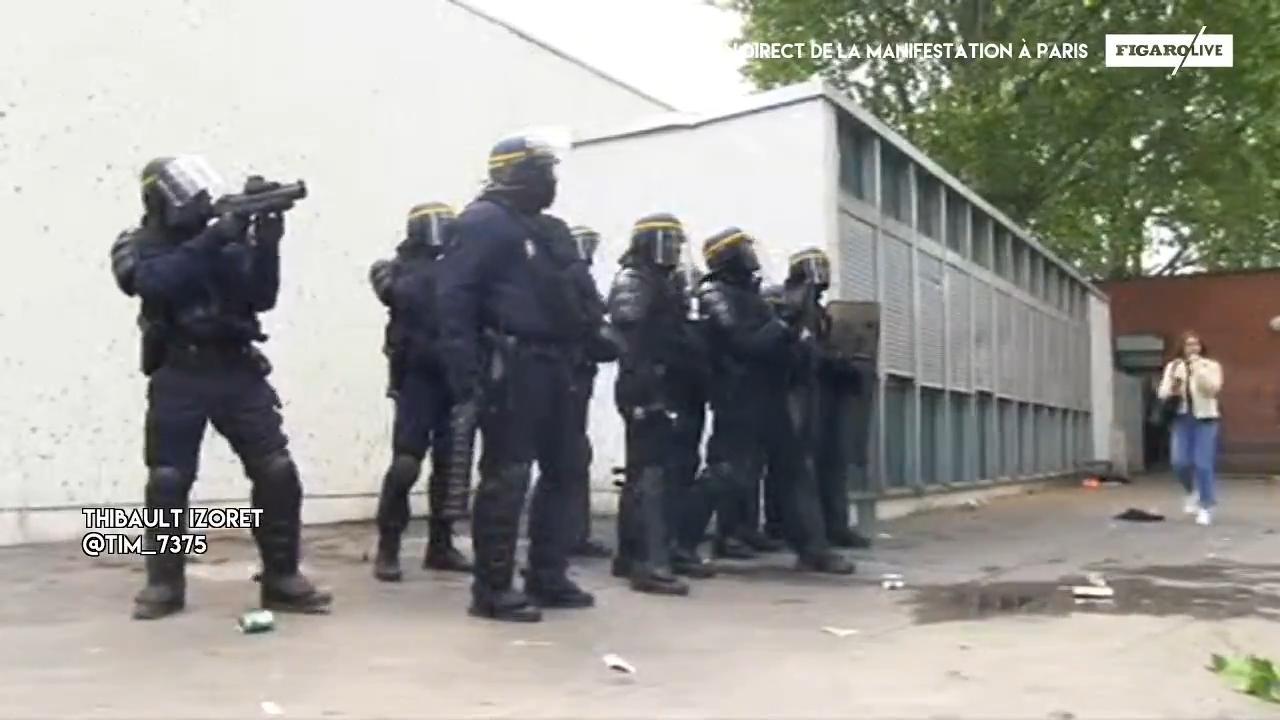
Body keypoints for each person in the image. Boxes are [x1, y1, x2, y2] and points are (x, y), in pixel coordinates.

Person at [109, 156, 331, 620]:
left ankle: (281, 578)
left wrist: (266, 243)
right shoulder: (137, 244)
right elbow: (151, 284)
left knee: (276, 470)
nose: (198, 201)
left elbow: (259, 296)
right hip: (179, 371)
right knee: (169, 479)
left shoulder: (220, 237)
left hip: (235, 368)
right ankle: (164, 582)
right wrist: (216, 238)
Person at [435, 133, 595, 622]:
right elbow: (454, 299)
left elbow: (575, 293)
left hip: (557, 363)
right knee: (508, 475)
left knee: (568, 468)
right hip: (511, 362)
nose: (551, 181)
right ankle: (493, 587)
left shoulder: (546, 228)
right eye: (541, 170)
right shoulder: (483, 223)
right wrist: (467, 375)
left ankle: (548, 573)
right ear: (515, 173)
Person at [368, 202, 472, 582]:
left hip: (453, 376)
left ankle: (441, 545)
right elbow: (401, 294)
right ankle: (388, 546)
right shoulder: (394, 269)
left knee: (451, 466)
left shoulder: (457, 269)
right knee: (406, 463)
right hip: (416, 379)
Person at [607, 214, 707, 596]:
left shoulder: (663, 283)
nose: (677, 250)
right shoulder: (634, 280)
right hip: (645, 386)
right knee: (650, 475)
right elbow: (630, 340)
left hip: (662, 384)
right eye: (670, 242)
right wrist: (648, 393)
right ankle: (648, 563)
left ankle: (632, 554)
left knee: (646, 471)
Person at [691, 228, 794, 560]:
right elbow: (743, 344)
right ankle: (698, 536)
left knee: (753, 468)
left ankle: (742, 530)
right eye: (745, 249)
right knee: (726, 469)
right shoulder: (714, 293)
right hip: (735, 391)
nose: (752, 255)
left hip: (762, 391)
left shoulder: (750, 294)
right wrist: (781, 325)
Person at [529, 224, 615, 559]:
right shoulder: (569, 275)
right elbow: (589, 319)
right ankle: (562, 539)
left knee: (572, 457)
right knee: (565, 458)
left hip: (572, 372)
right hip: (568, 372)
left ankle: (572, 534)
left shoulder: (559, 276)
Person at [782, 249, 872, 549]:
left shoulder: (817, 310)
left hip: (822, 393)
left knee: (833, 462)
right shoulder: (792, 305)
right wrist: (833, 362)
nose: (822, 274)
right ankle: (812, 538)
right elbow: (802, 350)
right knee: (808, 466)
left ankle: (835, 525)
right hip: (802, 394)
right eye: (815, 268)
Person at [666, 262, 717, 579]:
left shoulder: (691, 325)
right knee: (672, 473)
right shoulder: (669, 324)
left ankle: (675, 542)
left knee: (685, 469)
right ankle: (673, 544)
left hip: (692, 402)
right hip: (674, 403)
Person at [1156, 331, 1224, 526]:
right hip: (1182, 418)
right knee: (1180, 462)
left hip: (1205, 419)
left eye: (1196, 344)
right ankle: (1191, 491)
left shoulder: (1211, 366)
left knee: (1203, 463)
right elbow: (1162, 392)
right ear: (1182, 348)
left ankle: (1206, 506)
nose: (1192, 348)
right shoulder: (1174, 366)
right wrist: (1174, 386)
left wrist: (1198, 370)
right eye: (1188, 345)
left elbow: (1212, 389)